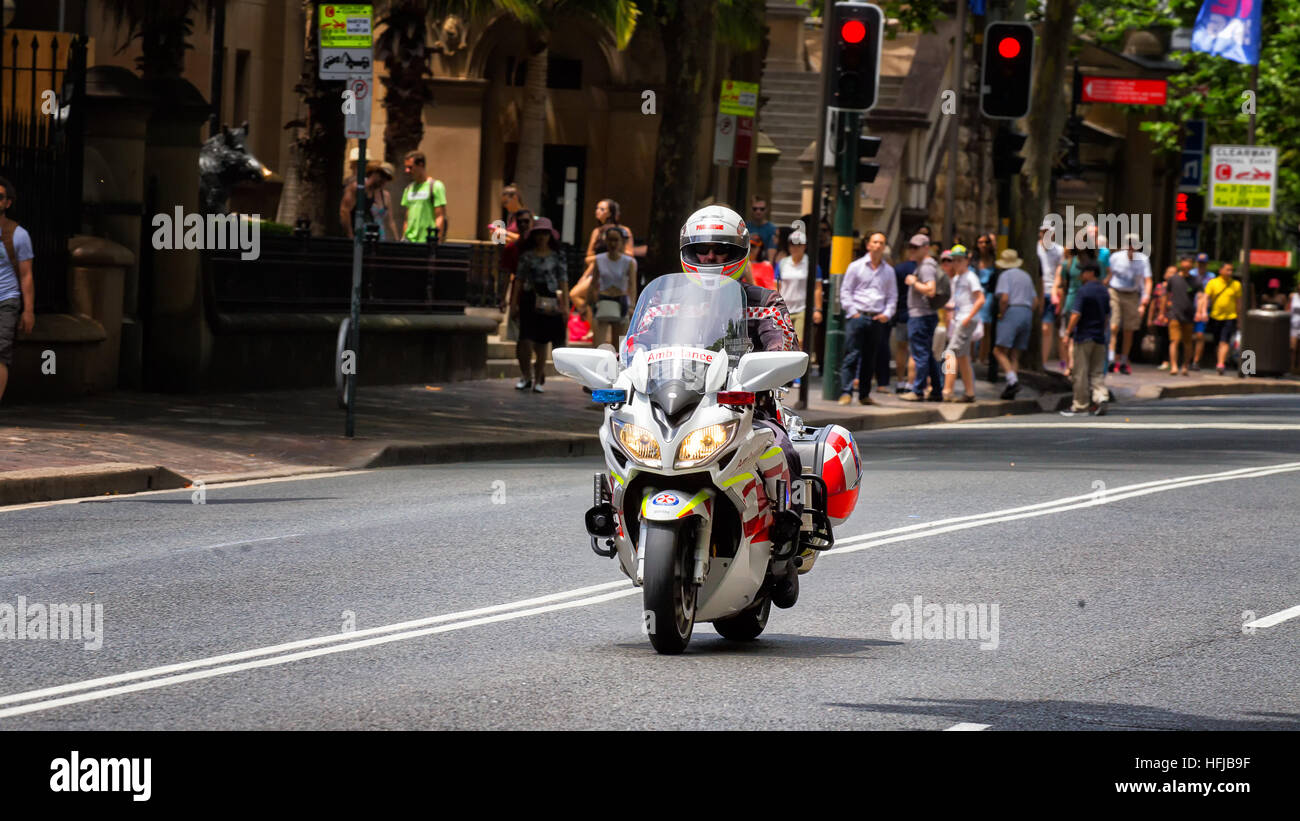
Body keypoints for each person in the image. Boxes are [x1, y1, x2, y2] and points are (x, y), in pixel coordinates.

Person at [678, 205, 808, 596]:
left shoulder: (764, 300)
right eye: (702, 250)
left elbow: (784, 343)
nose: (710, 258)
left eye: (720, 250)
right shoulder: (670, 302)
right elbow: (635, 347)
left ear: (739, 252)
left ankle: (786, 545)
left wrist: (777, 358)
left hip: (749, 412)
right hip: (677, 410)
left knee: (783, 451)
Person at [837, 231, 897, 406]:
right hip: (858, 316)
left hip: (877, 318)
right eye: (875, 242)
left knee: (870, 358)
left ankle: (864, 395)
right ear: (868, 245)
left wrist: (887, 314)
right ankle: (846, 392)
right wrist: (853, 312)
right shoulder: (856, 266)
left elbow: (892, 296)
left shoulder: (889, 271)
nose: (878, 245)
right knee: (851, 355)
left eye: (881, 243)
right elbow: (846, 291)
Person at [510, 217, 568, 393]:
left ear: (550, 236)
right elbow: (518, 280)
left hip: (549, 299)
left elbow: (563, 281)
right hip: (529, 298)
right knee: (525, 339)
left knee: (543, 341)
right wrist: (513, 303)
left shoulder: (558, 256)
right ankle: (526, 375)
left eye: (545, 233)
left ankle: (538, 377)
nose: (542, 237)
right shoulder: (526, 256)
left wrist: (565, 305)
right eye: (539, 233)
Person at [0, 176, 35, 402]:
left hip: (6, 300)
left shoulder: (18, 235)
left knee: (0, 354)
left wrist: (28, 311)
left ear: (8, 203)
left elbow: (26, 275)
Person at [1061, 261, 1110, 416]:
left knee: (1080, 372)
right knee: (1096, 372)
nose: (1081, 275)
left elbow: (1076, 314)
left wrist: (1068, 333)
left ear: (1090, 273)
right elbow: (1107, 316)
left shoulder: (1083, 291)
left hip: (1084, 336)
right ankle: (1101, 397)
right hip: (1099, 337)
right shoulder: (1104, 290)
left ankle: (1080, 404)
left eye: (1083, 272)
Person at [899, 241, 944, 402]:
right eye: (910, 246)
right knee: (927, 354)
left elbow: (930, 290)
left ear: (926, 248)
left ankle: (918, 390)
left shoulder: (925, 267)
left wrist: (913, 282)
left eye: (916, 247)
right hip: (924, 315)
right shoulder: (925, 265)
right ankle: (937, 390)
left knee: (920, 355)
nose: (912, 250)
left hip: (921, 316)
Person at [991, 248, 1039, 400]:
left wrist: (1001, 314)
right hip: (1026, 312)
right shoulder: (1026, 276)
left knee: (998, 351)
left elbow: (1004, 298)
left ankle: (1012, 381)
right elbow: (1035, 301)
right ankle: (1012, 383)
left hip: (1012, 311)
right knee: (1015, 354)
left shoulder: (1005, 275)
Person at [940, 245, 983, 403]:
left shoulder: (971, 277)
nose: (956, 264)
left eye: (960, 260)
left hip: (966, 319)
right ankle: (970, 392)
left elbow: (980, 299)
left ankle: (947, 390)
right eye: (954, 260)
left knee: (950, 353)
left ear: (967, 260)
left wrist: (968, 317)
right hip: (959, 317)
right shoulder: (957, 278)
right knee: (963, 357)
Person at [1105, 233, 1152, 374]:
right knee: (1113, 326)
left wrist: (1145, 300)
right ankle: (1111, 358)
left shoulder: (1143, 260)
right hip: (1115, 292)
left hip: (1132, 295)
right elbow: (1109, 276)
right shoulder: (1115, 257)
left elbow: (1147, 280)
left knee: (1128, 329)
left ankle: (1124, 361)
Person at [583, 226, 637, 349]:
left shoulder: (629, 262)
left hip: (621, 301)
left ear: (622, 241)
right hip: (603, 300)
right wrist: (587, 303)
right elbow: (593, 283)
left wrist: (632, 306)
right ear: (606, 241)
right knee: (599, 346)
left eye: (616, 240)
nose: (613, 243)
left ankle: (617, 368)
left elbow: (632, 285)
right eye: (610, 240)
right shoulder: (599, 259)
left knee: (619, 346)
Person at [890, 235, 927, 393]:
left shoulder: (898, 269)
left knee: (901, 348)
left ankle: (899, 382)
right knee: (914, 351)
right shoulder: (923, 269)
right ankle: (910, 383)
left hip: (902, 313)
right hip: (917, 313)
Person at [776, 229, 816, 348]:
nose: (795, 247)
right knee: (784, 341)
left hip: (802, 308)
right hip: (784, 308)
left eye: (798, 244)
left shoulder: (810, 263)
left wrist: (817, 309)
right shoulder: (782, 263)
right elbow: (776, 286)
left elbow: (817, 288)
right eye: (792, 244)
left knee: (800, 341)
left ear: (804, 246)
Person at [340, 161, 399, 240]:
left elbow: (390, 221)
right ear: (374, 172)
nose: (384, 180)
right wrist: (350, 236)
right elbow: (344, 211)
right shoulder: (358, 188)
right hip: (355, 237)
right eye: (382, 175)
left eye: (387, 178)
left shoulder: (375, 192)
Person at [1203, 262, 1243, 375]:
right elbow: (1206, 298)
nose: (1230, 272)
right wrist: (1203, 312)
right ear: (1221, 270)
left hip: (1230, 317)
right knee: (1217, 342)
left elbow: (1239, 303)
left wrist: (1239, 319)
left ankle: (1221, 364)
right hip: (1215, 316)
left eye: (1231, 270)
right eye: (1227, 269)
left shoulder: (1236, 284)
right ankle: (1220, 361)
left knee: (1224, 341)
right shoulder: (1213, 283)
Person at [401, 151, 447, 242]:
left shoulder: (435, 186)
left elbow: (440, 216)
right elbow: (407, 218)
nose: (407, 171)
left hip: (428, 240)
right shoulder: (408, 189)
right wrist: (404, 237)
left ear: (421, 165)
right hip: (409, 241)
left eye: (410, 167)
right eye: (406, 167)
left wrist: (437, 240)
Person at [1037, 221, 1064, 371]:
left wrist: (1056, 289)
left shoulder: (1058, 251)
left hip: (1051, 293)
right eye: (1043, 231)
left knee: (1047, 328)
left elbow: (1059, 272)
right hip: (1036, 292)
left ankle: (1043, 361)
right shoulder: (1034, 249)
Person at [1165, 260, 1197, 376]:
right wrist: (1164, 311)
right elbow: (1167, 295)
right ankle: (1173, 366)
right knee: (1174, 340)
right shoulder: (1173, 279)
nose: (1186, 265)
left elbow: (1201, 296)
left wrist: (1200, 311)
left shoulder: (1195, 280)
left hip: (1189, 315)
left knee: (1187, 342)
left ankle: (1185, 366)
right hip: (1175, 314)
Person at [583, 198, 633, 265]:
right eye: (597, 208)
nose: (597, 211)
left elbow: (630, 254)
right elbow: (589, 256)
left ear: (610, 213)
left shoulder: (624, 230)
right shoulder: (597, 231)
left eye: (602, 209)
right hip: (599, 266)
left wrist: (613, 254)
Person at [1148, 266, 1173, 370]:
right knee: (1161, 339)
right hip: (1160, 317)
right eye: (1169, 272)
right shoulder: (1159, 286)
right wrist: (1149, 318)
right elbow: (1153, 303)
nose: (1170, 274)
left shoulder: (1177, 287)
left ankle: (1168, 360)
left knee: (1170, 339)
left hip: (1172, 317)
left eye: (1173, 273)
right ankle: (1161, 359)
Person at [746, 197, 777, 263]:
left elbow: (772, 251)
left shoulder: (772, 229)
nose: (758, 211)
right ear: (750, 209)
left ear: (766, 210)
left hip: (764, 265)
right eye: (755, 209)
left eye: (762, 209)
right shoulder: (744, 227)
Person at [1289, 279, 1300, 373]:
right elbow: (1288, 309)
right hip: (1294, 325)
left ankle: (1298, 368)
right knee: (1293, 348)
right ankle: (1292, 367)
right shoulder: (1293, 296)